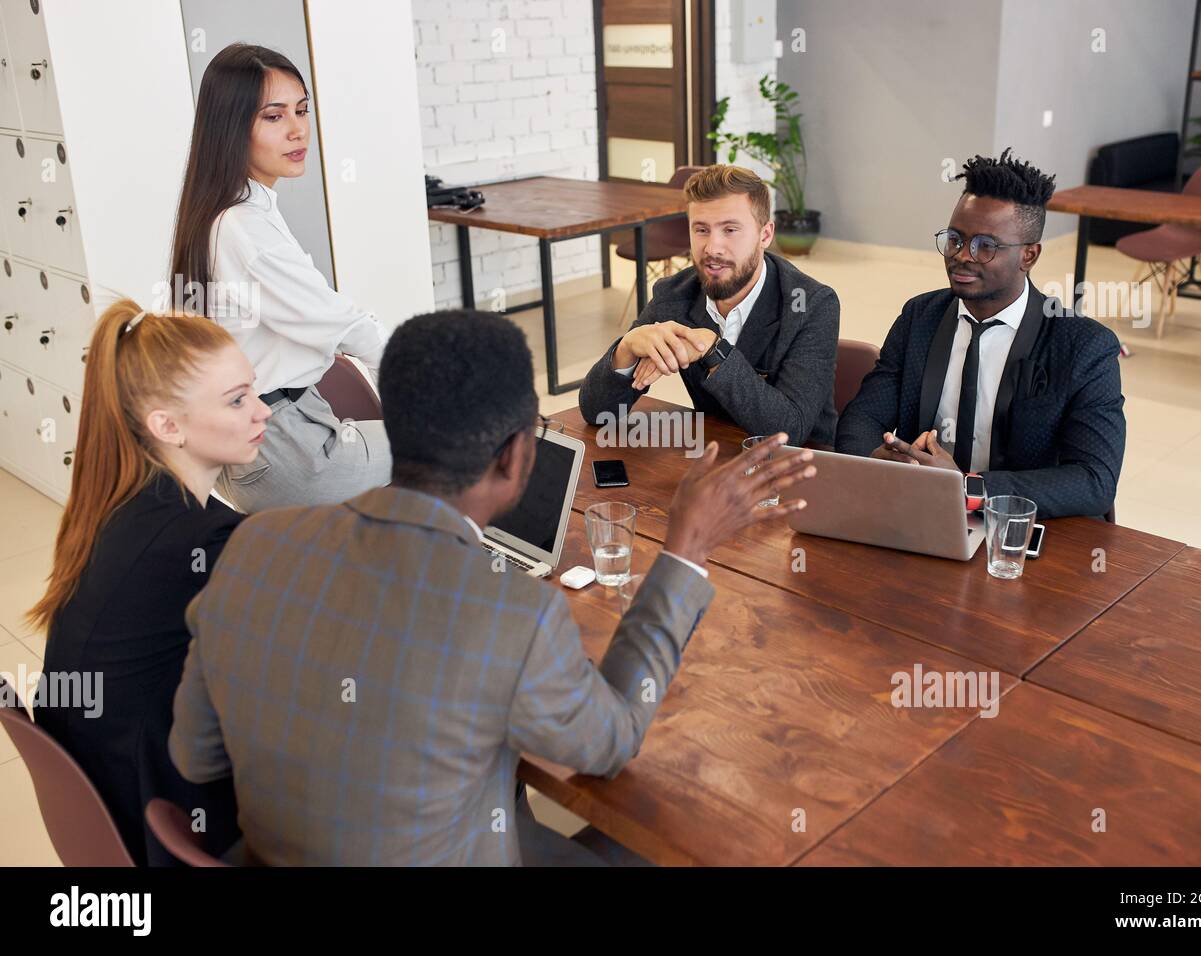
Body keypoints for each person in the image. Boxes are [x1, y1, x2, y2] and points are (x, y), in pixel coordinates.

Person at [168, 309, 816, 866]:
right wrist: (686, 548)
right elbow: (612, 742)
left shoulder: (253, 543)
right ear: (516, 456)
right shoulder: (515, 615)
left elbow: (196, 758)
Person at [25, 299, 266, 864]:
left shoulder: (117, 504)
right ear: (167, 425)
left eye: (253, 390)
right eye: (237, 400)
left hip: (112, 800)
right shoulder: (202, 539)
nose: (263, 412)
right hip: (169, 822)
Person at [835, 149, 1125, 519]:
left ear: (1029, 256)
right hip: (919, 515)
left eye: (984, 246)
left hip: (1018, 530)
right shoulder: (919, 317)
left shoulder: (1084, 346)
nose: (961, 255)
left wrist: (965, 488)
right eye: (955, 238)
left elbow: (1094, 481)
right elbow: (861, 419)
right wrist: (878, 462)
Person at [169, 43, 391, 513]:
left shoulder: (225, 211)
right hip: (288, 451)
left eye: (302, 110)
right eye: (273, 117)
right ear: (233, 129)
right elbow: (349, 329)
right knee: (459, 444)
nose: (297, 130)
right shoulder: (245, 228)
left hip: (258, 447)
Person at [578, 164, 840, 447]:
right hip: (717, 452)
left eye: (730, 230)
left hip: (805, 467)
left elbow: (789, 431)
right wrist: (625, 350)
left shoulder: (811, 304)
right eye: (701, 230)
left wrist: (714, 351)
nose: (713, 248)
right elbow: (597, 413)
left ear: (765, 235)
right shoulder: (674, 295)